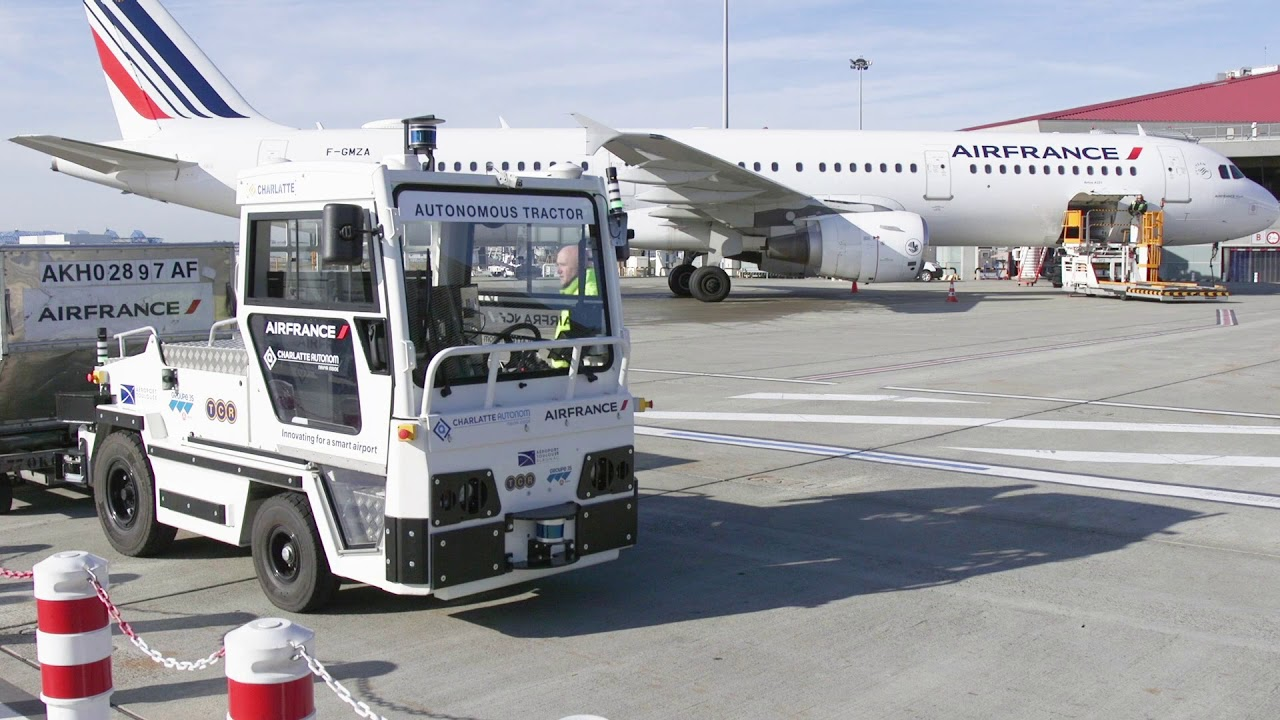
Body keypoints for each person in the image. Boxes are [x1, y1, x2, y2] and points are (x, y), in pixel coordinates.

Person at [550, 245, 598, 368]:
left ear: (579, 266)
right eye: (557, 265)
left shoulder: (588, 292)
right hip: (567, 366)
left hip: (572, 369)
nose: (558, 271)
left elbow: (582, 330)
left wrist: (559, 356)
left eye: (563, 265)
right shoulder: (575, 290)